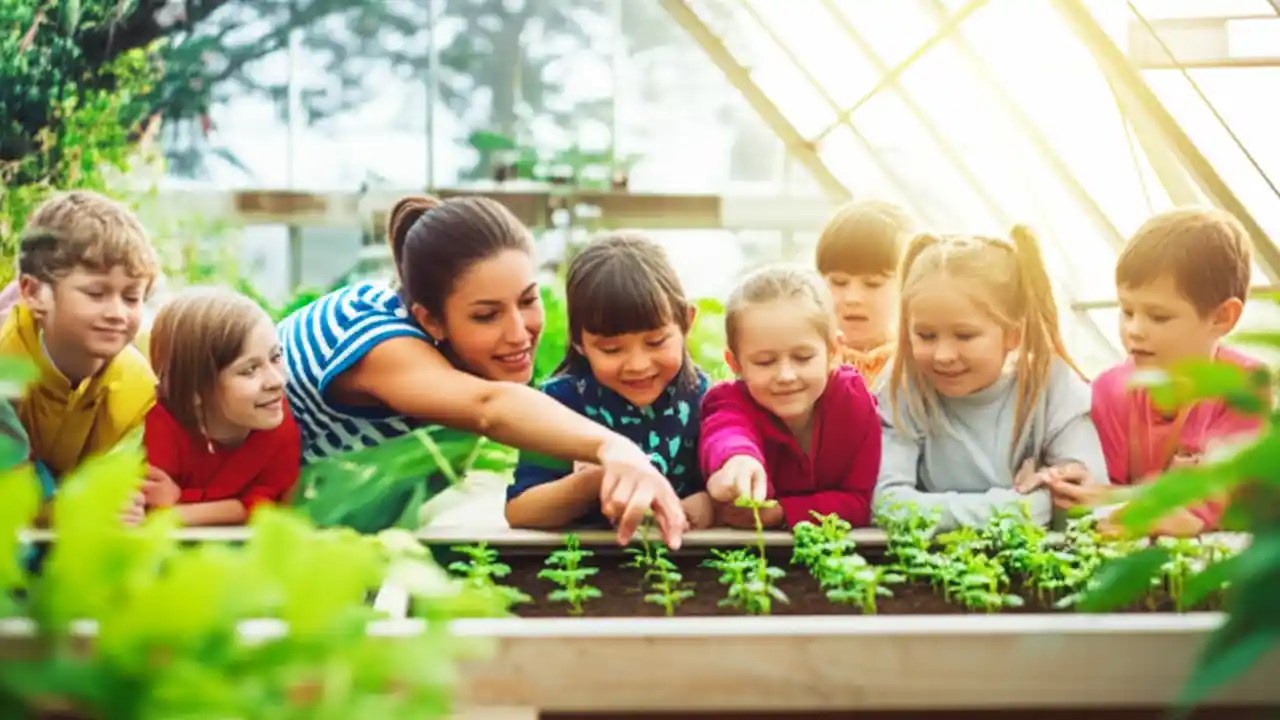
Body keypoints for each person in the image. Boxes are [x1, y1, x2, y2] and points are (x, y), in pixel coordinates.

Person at [278, 195, 688, 547]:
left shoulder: (421, 332)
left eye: (528, 301)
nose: (518, 333)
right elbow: (488, 407)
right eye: (487, 315)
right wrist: (616, 449)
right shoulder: (378, 342)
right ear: (431, 320)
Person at [874, 228, 1108, 532]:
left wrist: (1065, 498)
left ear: (1013, 334)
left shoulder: (1051, 385)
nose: (943, 354)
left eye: (965, 335)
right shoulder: (902, 384)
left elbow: (1089, 504)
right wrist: (1025, 506)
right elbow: (886, 505)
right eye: (925, 335)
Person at [1062, 208, 1263, 536]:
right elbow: (1099, 499)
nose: (1134, 330)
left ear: (1222, 318)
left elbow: (1199, 511)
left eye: (1159, 317)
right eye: (1126, 311)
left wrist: (1124, 505)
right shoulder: (1108, 390)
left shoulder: (1243, 387)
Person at [506, 233, 713, 529]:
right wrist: (594, 482)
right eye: (611, 350)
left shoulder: (706, 400)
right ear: (579, 342)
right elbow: (521, 510)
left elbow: (739, 479)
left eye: (656, 342)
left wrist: (709, 502)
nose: (638, 365)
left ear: (686, 322)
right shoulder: (558, 405)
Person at [0, 190, 159, 524]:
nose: (117, 313)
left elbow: (118, 486)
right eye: (95, 293)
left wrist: (122, 504)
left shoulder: (136, 390)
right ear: (33, 293)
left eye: (131, 298)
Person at [699, 266, 881, 528]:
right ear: (735, 363)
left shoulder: (855, 404)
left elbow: (862, 502)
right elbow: (725, 432)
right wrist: (738, 459)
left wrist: (783, 512)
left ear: (834, 352)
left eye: (803, 357)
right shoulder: (730, 402)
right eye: (764, 361)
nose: (786, 375)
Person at [143, 288, 300, 526]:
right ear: (195, 388)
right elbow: (149, 507)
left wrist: (179, 509)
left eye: (276, 357)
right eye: (249, 370)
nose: (277, 381)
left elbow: (268, 508)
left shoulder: (276, 420)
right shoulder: (160, 425)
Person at [815, 199, 915, 389]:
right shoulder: (803, 361)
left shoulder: (917, 366)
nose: (852, 298)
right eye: (839, 282)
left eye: (872, 284)